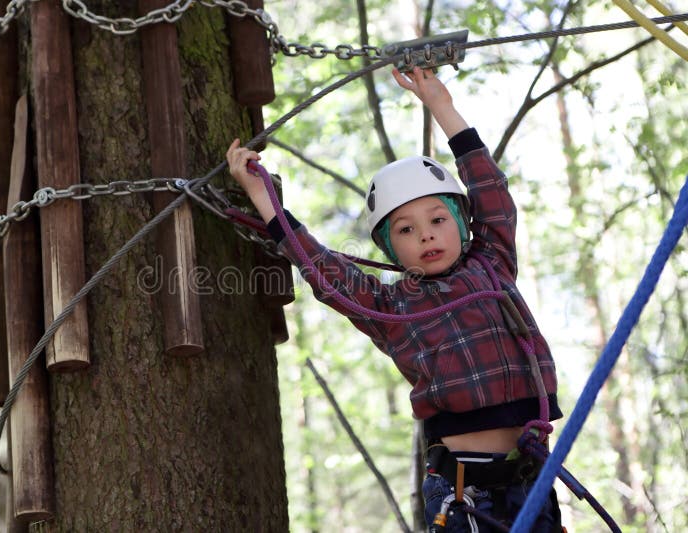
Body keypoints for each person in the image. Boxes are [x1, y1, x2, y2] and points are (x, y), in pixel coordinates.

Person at [226, 66, 563, 531]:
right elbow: (325, 273)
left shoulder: (492, 262)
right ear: (390, 248)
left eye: (437, 219)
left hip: (531, 476)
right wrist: (264, 199)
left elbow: (491, 192)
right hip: (463, 489)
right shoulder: (392, 307)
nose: (426, 235)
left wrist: (441, 107)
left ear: (461, 223)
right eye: (406, 230)